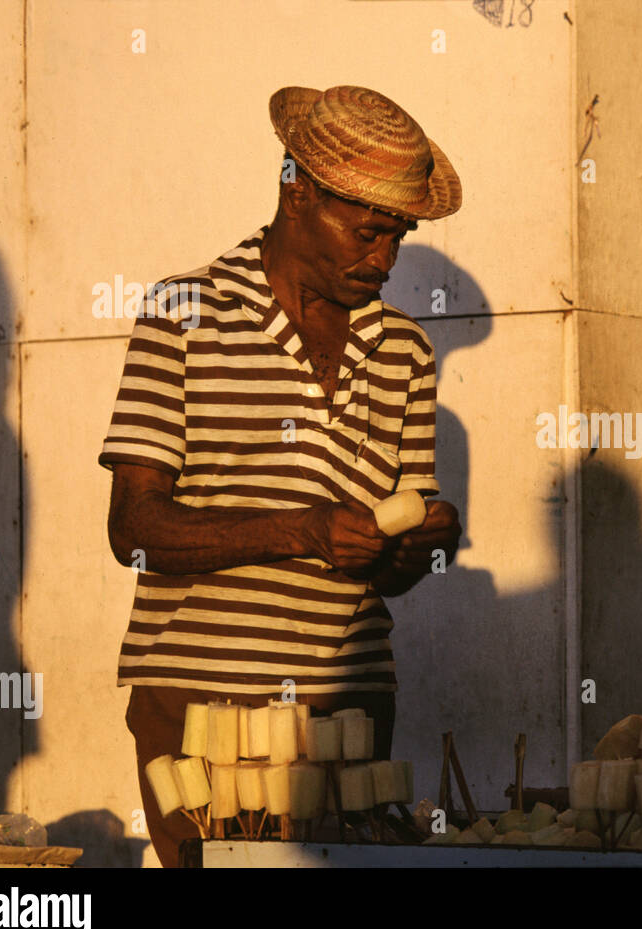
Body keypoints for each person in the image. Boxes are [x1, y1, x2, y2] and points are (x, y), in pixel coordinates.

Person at [99, 86, 463, 867]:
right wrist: (301, 528)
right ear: (296, 193)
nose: (384, 260)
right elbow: (133, 529)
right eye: (368, 234)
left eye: (397, 238)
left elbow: (393, 575)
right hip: (200, 713)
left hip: (347, 710)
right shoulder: (183, 312)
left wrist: (421, 546)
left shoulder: (405, 350)